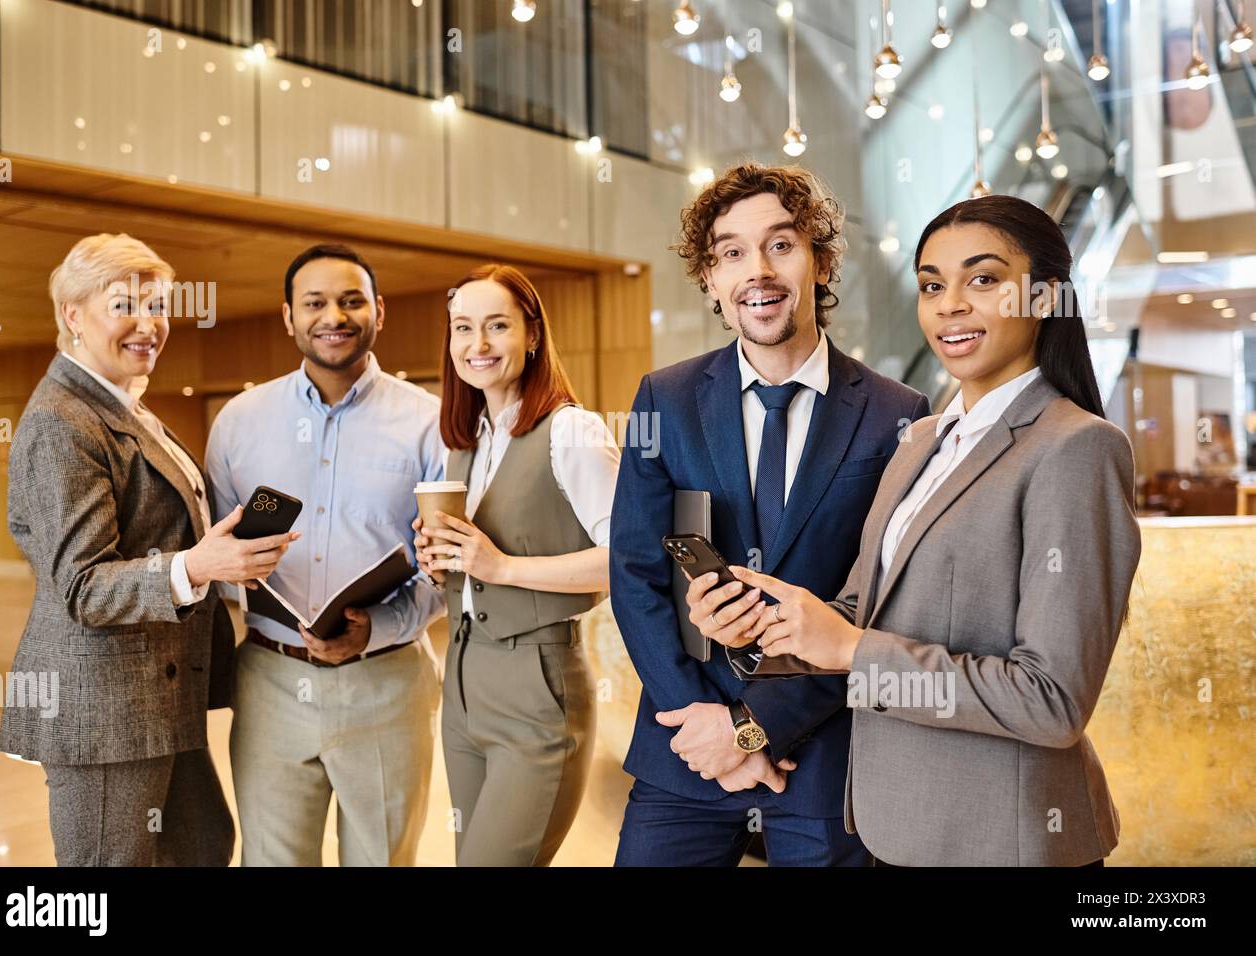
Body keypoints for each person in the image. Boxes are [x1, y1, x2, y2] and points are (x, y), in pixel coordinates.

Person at [698, 195, 1141, 866]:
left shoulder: (1076, 449)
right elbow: (858, 612)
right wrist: (764, 623)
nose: (949, 305)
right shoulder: (923, 439)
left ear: (1046, 298)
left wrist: (850, 649)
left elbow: (1051, 701)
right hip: (893, 825)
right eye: (932, 285)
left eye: (983, 279)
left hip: (1005, 836)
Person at [609, 163, 930, 866]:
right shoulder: (663, 398)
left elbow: (885, 604)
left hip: (822, 749)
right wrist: (701, 721)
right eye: (731, 252)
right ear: (710, 281)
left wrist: (753, 730)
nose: (758, 270)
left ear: (819, 260)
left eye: (782, 244)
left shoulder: (899, 416)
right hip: (685, 740)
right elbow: (633, 572)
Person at [0, 233, 296, 866]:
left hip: (160, 698)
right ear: (73, 316)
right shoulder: (63, 421)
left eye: (158, 305)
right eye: (124, 304)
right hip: (106, 711)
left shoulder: (125, 408)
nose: (150, 323)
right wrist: (196, 567)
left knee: (202, 848)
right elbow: (80, 586)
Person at [205, 243, 446, 866]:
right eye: (314, 303)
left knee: (382, 859)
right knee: (272, 859)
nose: (332, 316)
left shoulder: (430, 422)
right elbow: (216, 546)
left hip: (388, 682)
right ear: (288, 317)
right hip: (270, 680)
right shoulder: (239, 421)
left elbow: (447, 563)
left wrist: (380, 627)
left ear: (378, 311)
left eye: (350, 300)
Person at [413, 264, 619, 866]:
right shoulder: (462, 441)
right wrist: (441, 564)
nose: (476, 345)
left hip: (539, 681)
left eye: (496, 326)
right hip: (463, 680)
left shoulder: (572, 431)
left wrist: (500, 567)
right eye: (462, 329)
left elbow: (628, 562)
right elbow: (472, 569)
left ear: (532, 334)